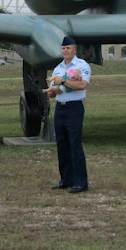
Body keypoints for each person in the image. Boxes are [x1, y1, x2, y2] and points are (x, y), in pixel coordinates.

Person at [44, 35, 91, 194]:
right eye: (63, 48)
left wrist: (62, 82)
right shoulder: (58, 68)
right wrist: (52, 90)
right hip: (60, 108)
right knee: (62, 145)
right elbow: (52, 94)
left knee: (75, 145)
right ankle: (66, 180)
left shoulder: (82, 65)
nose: (65, 51)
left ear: (74, 49)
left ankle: (81, 182)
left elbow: (82, 84)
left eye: (68, 48)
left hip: (74, 108)